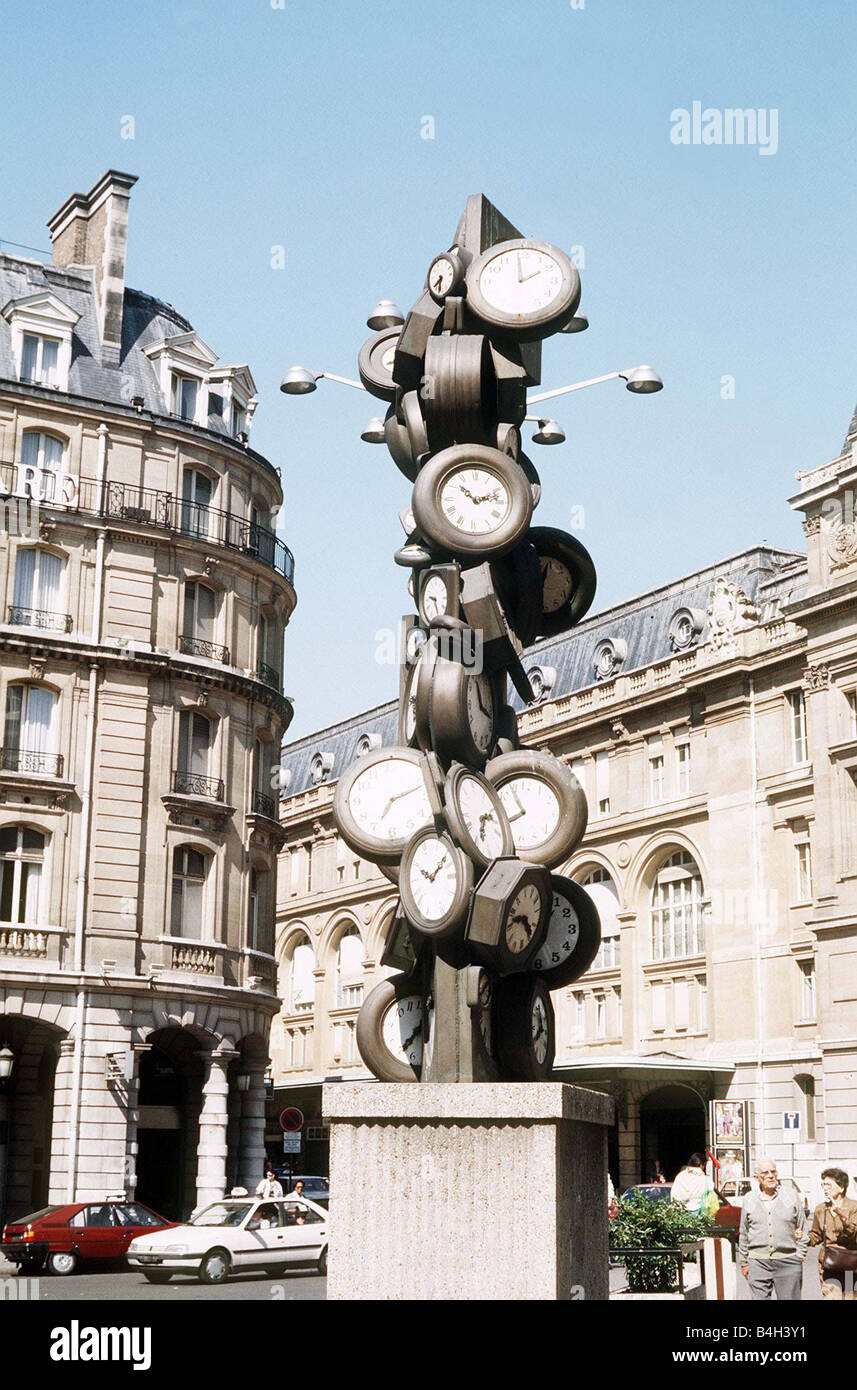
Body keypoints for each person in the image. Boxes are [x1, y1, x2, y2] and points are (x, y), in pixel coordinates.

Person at [738, 1159, 807, 1300]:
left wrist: (799, 1254)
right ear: (757, 1177)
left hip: (788, 1261)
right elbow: (744, 1232)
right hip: (758, 1262)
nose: (771, 1175)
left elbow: (802, 1226)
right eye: (765, 1172)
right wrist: (744, 1262)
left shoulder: (790, 1195)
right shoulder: (749, 1199)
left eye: (773, 1171)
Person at [807, 1167, 857, 1300]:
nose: (825, 1188)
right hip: (830, 1265)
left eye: (829, 1185)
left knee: (851, 1298)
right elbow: (816, 1235)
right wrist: (802, 1238)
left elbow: (853, 1233)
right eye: (823, 1184)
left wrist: (840, 1213)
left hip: (851, 1265)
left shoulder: (854, 1207)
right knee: (831, 1297)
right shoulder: (820, 1209)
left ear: (841, 1188)